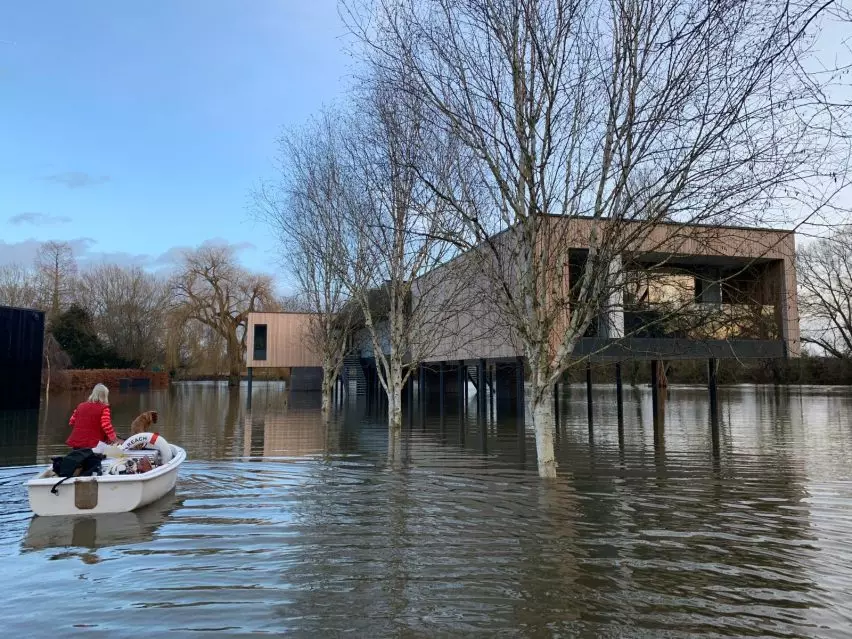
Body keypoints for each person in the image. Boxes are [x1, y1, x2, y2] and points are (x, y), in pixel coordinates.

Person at [66, 383, 124, 449]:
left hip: (77, 443)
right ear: (104, 395)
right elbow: (106, 425)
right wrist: (114, 439)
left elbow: (71, 422)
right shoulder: (104, 408)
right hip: (94, 445)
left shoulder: (80, 406)